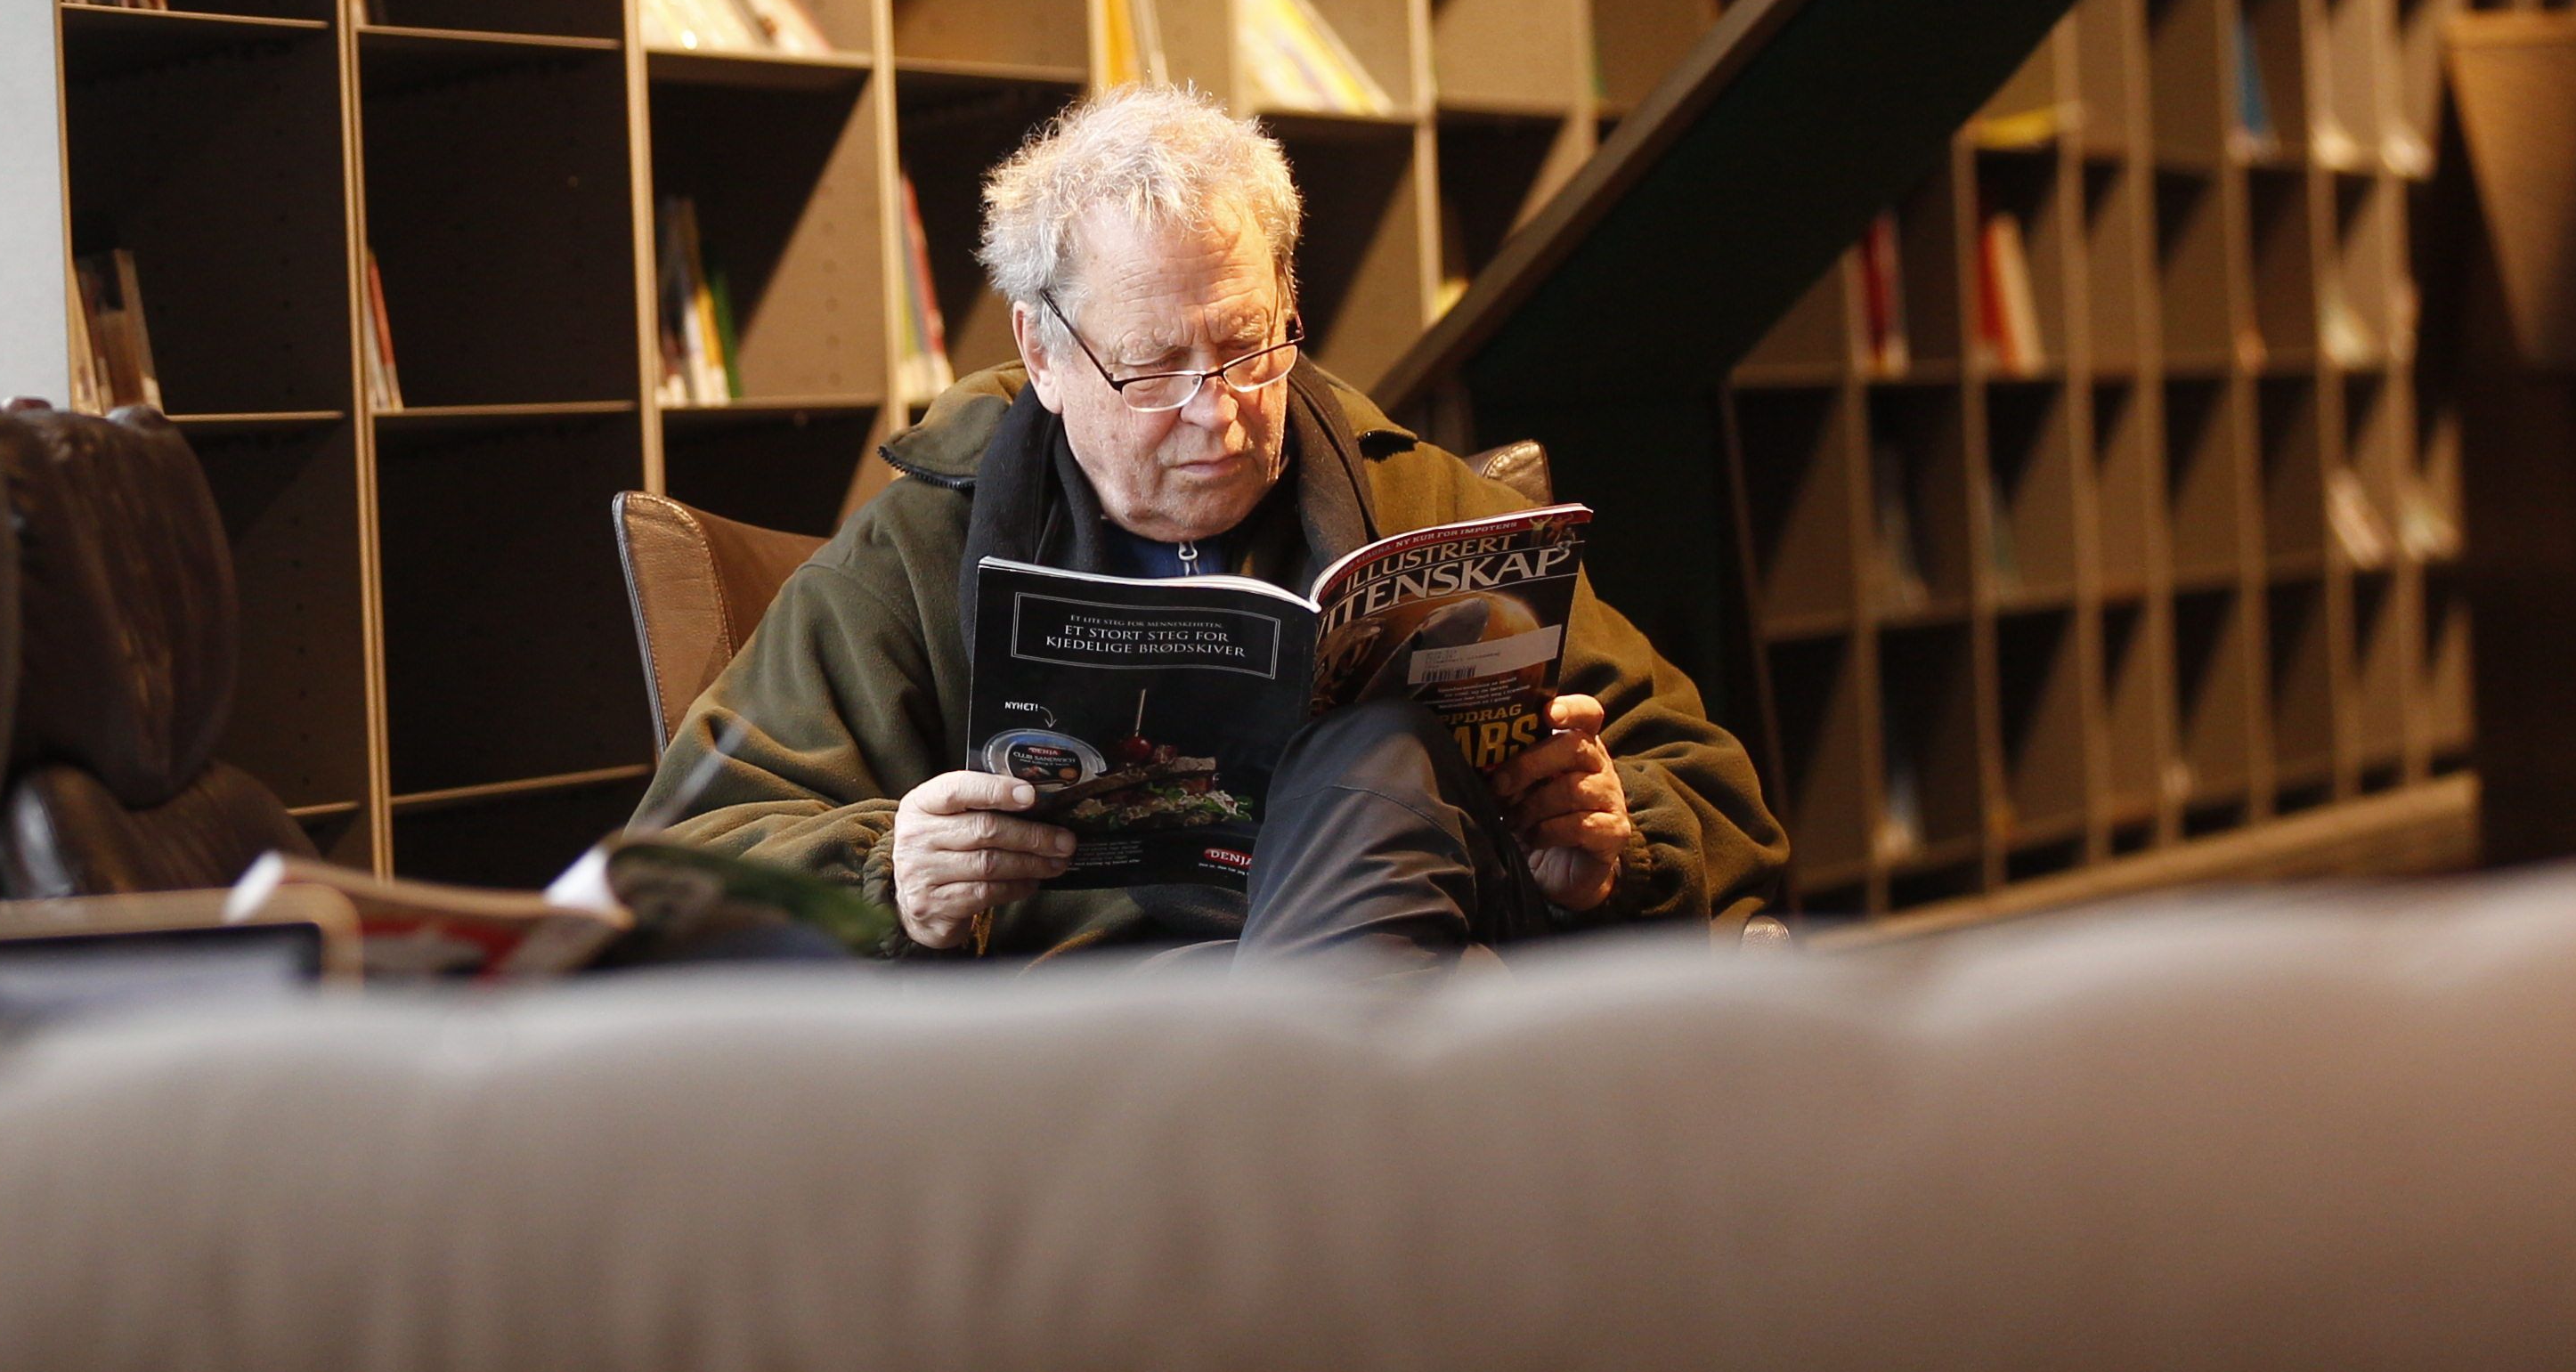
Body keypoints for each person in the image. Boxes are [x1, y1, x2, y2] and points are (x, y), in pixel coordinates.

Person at [627, 85, 1785, 962]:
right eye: (1152, 370)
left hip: (1382, 978)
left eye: (1247, 349)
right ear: (1043, 352)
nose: (1216, 415)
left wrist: (1610, 850)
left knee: (1378, 757)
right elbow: (677, 866)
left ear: (1289, 303)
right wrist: (892, 872)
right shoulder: (920, 553)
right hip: (1107, 1045)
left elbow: (1712, 790)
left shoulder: (1426, 513)